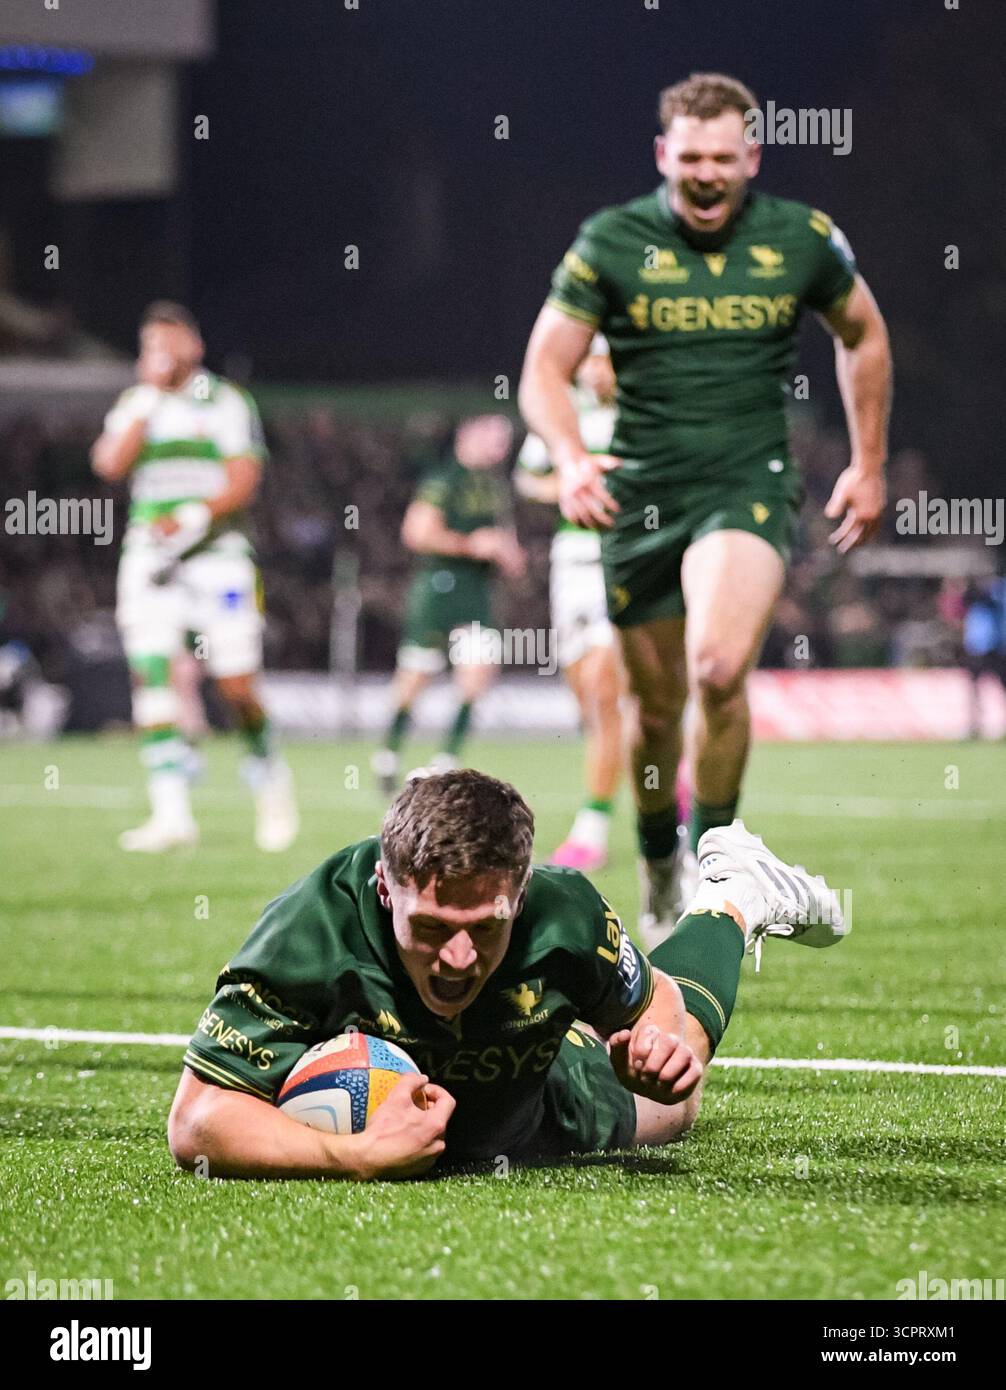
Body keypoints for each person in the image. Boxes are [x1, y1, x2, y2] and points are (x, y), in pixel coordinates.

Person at [518, 72, 891, 946]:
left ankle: (716, 866)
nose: (709, 174)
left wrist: (869, 463)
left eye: (726, 157)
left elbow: (864, 334)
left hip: (747, 481)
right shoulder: (611, 240)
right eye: (692, 158)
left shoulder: (801, 238)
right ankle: (656, 865)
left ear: (752, 156)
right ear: (663, 155)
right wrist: (572, 458)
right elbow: (543, 366)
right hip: (639, 495)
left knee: (719, 669)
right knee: (652, 713)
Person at [167, 768, 846, 1179]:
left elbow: (659, 1006)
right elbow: (197, 1122)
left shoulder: (563, 910)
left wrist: (657, 1049)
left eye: (485, 929)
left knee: (678, 1101)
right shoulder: (308, 932)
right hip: (473, 1089)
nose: (459, 958)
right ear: (384, 886)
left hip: (539, 1101)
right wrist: (357, 1156)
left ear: (519, 897)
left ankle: (733, 897)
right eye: (431, 927)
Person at [91, 301, 298, 853]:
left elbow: (243, 479)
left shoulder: (226, 401)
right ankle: (172, 813)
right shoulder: (139, 401)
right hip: (149, 558)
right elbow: (109, 463)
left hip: (218, 558)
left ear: (194, 346)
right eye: (149, 344)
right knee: (151, 675)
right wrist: (149, 398)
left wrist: (189, 517)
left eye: (169, 342)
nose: (158, 353)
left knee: (236, 686)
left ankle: (268, 776)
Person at [516, 336, 625, 870]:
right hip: (571, 565)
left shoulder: (641, 414)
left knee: (606, 696)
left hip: (622, 561)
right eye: (589, 360)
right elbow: (527, 476)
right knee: (586, 698)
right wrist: (570, 483)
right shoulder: (565, 416)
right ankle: (668, 783)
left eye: (605, 360)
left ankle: (593, 826)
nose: (596, 371)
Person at [371, 414, 526, 791]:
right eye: (494, 437)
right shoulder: (443, 479)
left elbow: (502, 538)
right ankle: (388, 753)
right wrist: (471, 545)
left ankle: (445, 760)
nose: (501, 447)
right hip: (439, 586)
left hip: (477, 591)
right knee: (415, 675)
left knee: (478, 673)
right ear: (467, 436)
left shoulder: (494, 486)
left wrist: (509, 554)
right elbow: (417, 532)